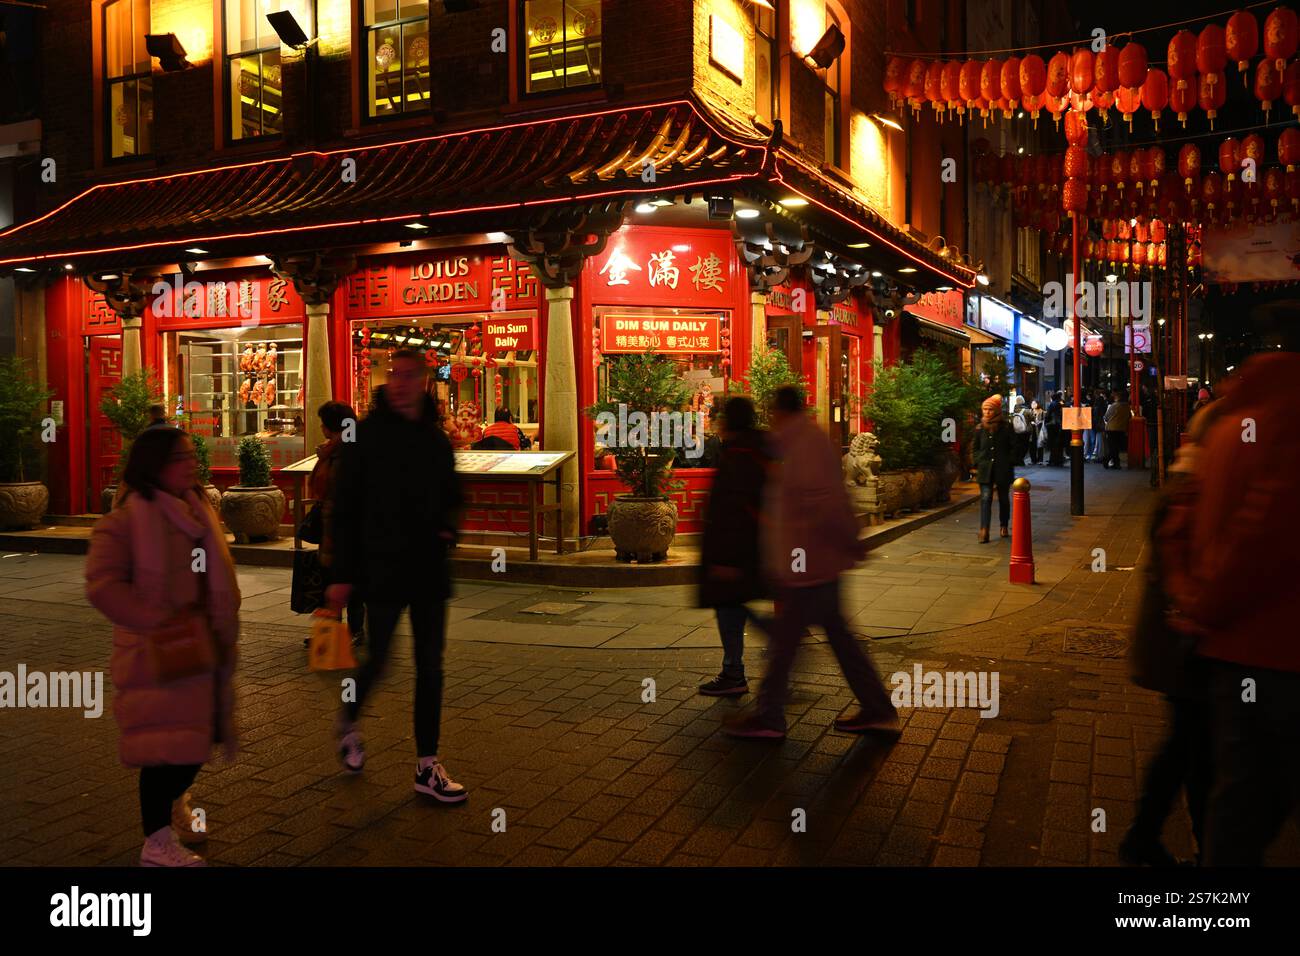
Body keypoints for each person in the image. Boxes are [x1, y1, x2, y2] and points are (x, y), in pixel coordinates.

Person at [1169, 320, 1300, 866]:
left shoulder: (1223, 424)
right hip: (1274, 652)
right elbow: (1262, 529)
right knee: (1249, 799)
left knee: (1235, 795)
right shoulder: (1285, 423)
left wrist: (1190, 600)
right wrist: (1209, 601)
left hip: (1226, 649)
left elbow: (1177, 517)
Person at [85, 427, 242, 867]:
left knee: (197, 740)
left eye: (193, 455)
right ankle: (155, 842)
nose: (191, 464)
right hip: (157, 656)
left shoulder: (195, 507)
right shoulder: (129, 517)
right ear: (155, 464)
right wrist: (153, 620)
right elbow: (102, 584)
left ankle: (173, 809)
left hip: (199, 648)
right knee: (165, 750)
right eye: (180, 457)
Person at [326, 349, 468, 803]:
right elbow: (344, 506)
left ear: (424, 381)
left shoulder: (435, 438)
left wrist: (448, 527)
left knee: (431, 666)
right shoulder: (365, 436)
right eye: (394, 375)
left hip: (427, 568)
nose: (400, 382)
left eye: (408, 376)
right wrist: (342, 573)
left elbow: (452, 492)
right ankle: (349, 720)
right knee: (379, 658)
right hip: (381, 568)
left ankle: (427, 765)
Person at [724, 386, 897, 739]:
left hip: (807, 564)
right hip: (809, 562)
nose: (770, 418)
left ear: (782, 412)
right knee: (828, 639)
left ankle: (770, 716)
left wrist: (847, 543)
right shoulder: (798, 443)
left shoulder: (803, 447)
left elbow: (826, 504)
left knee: (790, 641)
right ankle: (876, 709)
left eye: (772, 412)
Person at [1122, 421, 1213, 866]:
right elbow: (1178, 566)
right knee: (1192, 744)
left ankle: (1150, 837)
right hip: (1187, 644)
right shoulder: (1195, 491)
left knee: (1190, 744)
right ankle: (1149, 838)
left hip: (1182, 644)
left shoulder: (1189, 483)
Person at [696, 397, 772, 696]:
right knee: (736, 605)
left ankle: (734, 671)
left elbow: (732, 508)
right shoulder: (754, 450)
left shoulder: (740, 455)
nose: (718, 423)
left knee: (731, 606)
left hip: (735, 552)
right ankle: (735, 669)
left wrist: (725, 557)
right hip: (747, 549)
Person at [311, 401, 364, 647]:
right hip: (336, 522)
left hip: (346, 525)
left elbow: (334, 488)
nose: (320, 427)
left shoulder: (345, 451)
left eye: (323, 422)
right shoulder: (336, 448)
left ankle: (350, 632)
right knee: (338, 578)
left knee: (344, 579)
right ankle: (336, 632)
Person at [973, 394, 1015, 542]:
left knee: (1003, 498)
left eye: (990, 409)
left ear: (996, 410)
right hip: (985, 469)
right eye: (984, 409)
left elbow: (1014, 447)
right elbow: (975, 448)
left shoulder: (1006, 427)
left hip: (1002, 469)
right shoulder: (979, 428)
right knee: (985, 498)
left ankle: (1004, 525)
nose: (987, 412)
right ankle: (984, 530)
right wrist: (977, 461)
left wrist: (1010, 461)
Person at [1103, 389, 1131, 469]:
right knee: (1117, 446)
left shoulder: (1114, 406)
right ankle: (1116, 463)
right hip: (1121, 428)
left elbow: (1106, 416)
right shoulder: (1127, 406)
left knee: (1112, 446)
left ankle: (1106, 459)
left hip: (1111, 428)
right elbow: (1129, 417)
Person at [1009, 394, 1031, 466]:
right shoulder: (1026, 410)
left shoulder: (1014, 410)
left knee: (1017, 445)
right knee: (1024, 445)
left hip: (1015, 430)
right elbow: (1032, 418)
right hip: (1025, 431)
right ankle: (1021, 460)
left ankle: (1016, 460)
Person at [1046, 391, 1065, 466]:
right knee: (1059, 444)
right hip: (1061, 425)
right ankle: (1059, 460)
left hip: (1053, 425)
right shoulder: (1061, 403)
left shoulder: (1052, 404)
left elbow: (1048, 415)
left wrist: (1046, 422)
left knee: (1053, 444)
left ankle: (1052, 460)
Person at [1028, 399, 1045, 465]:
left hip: (1039, 430)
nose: (1033, 405)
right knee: (1032, 445)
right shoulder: (1030, 411)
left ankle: (1040, 460)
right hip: (1032, 431)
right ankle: (1033, 460)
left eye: (1034, 403)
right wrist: (1031, 422)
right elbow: (1028, 420)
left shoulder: (1042, 412)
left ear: (1038, 404)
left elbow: (1044, 420)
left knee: (1040, 444)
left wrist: (1039, 422)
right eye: (1032, 404)